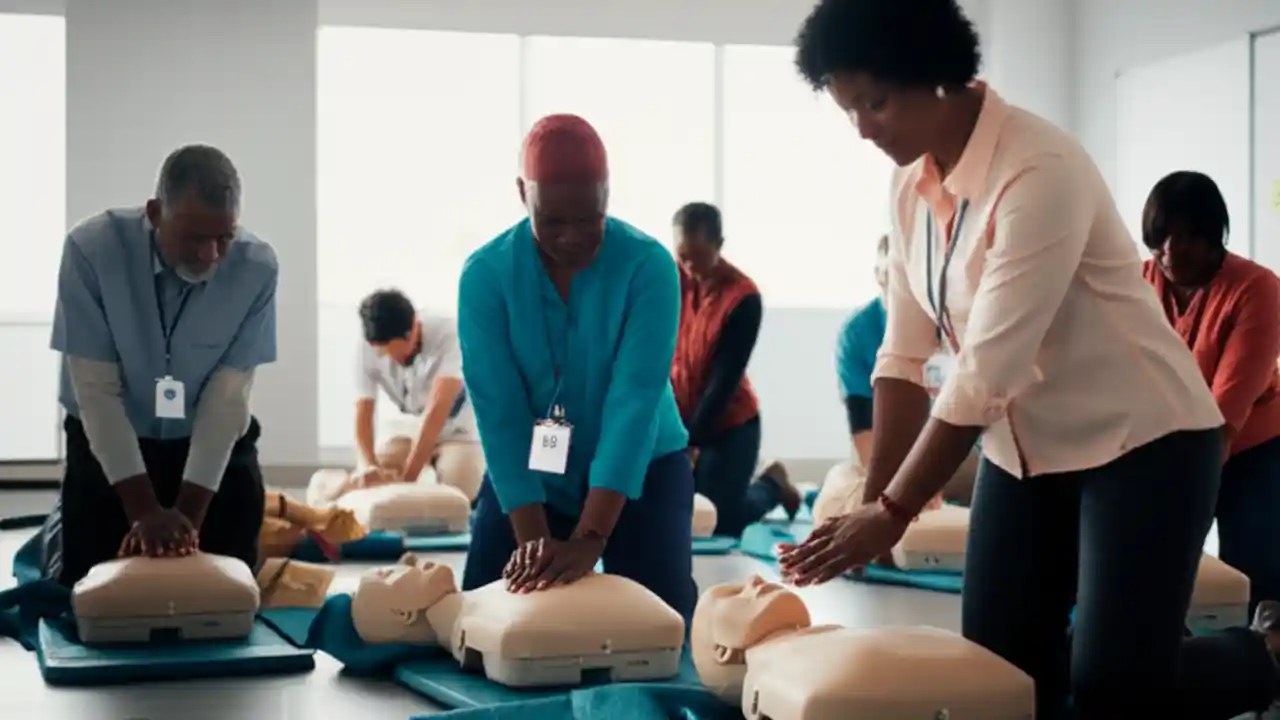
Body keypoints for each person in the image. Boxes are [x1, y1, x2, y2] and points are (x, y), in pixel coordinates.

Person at [778, 1, 1280, 717]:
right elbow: (901, 355)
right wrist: (870, 504)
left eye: (876, 103)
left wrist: (892, 511)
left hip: (1146, 443)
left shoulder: (1039, 167)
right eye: (848, 110)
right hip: (1027, 452)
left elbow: (984, 373)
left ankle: (1264, 654)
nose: (862, 129)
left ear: (936, 77)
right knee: (1004, 673)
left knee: (1116, 690)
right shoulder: (910, 186)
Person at [456, 114, 695, 624]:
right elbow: (498, 413)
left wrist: (590, 537)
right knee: (484, 616)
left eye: (590, 218)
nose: (571, 237)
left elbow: (635, 401)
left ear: (608, 194)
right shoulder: (485, 276)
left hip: (644, 469)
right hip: (532, 467)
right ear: (523, 194)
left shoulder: (647, 266)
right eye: (553, 221)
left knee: (663, 624)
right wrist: (534, 542)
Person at [43, 144, 276, 587]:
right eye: (194, 237)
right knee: (86, 579)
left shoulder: (257, 267)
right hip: (109, 432)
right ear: (154, 213)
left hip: (203, 434)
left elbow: (226, 399)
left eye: (223, 237)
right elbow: (96, 393)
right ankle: (56, 532)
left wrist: (184, 526)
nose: (211, 255)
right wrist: (144, 513)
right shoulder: (91, 251)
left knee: (231, 574)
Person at [1141, 171, 1280, 615]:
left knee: (1255, 575)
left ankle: (1262, 661)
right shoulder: (1136, 285)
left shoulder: (1257, 288)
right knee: (1158, 567)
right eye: (1160, 238)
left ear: (1213, 236)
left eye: (1185, 238)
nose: (1170, 252)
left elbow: (1225, 413)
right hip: (1171, 442)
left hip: (1252, 446)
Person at [670, 201, 800, 536]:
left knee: (719, 520)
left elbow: (723, 381)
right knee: (673, 509)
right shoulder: (671, 280)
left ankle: (772, 485)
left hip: (730, 425)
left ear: (719, 246)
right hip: (682, 418)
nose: (688, 266)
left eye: (697, 257)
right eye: (682, 256)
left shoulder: (743, 298)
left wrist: (691, 444)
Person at [836, 233, 976, 506]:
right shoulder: (857, 333)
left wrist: (922, 483)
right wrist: (900, 493)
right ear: (879, 274)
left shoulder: (956, 319)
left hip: (957, 449)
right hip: (891, 451)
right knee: (840, 499)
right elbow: (864, 430)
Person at [353, 289, 485, 501]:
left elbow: (437, 410)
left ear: (415, 325)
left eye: (402, 350)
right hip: (410, 429)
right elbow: (363, 411)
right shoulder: (368, 344)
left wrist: (407, 482)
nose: (397, 358)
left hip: (459, 431)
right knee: (371, 481)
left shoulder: (451, 333)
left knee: (460, 487)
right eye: (387, 354)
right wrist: (368, 465)